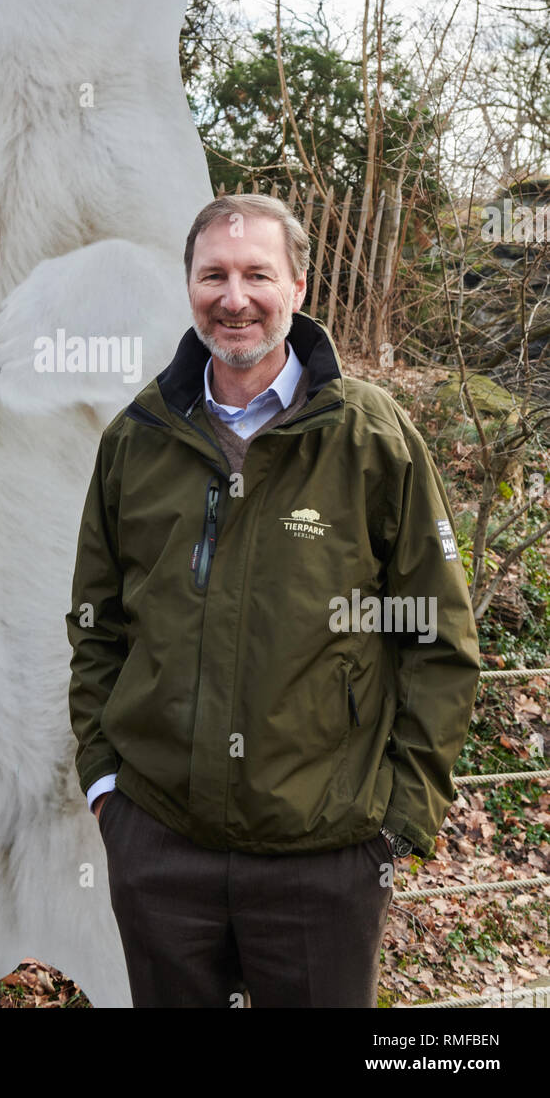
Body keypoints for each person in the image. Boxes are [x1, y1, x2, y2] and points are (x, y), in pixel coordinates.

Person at [66, 192, 481, 1008]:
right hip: (158, 844)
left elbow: (437, 635)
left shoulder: (373, 439)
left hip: (324, 856)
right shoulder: (138, 438)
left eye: (257, 273)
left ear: (297, 284)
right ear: (187, 287)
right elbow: (95, 623)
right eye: (212, 274)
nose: (234, 297)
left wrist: (398, 821)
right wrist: (105, 787)